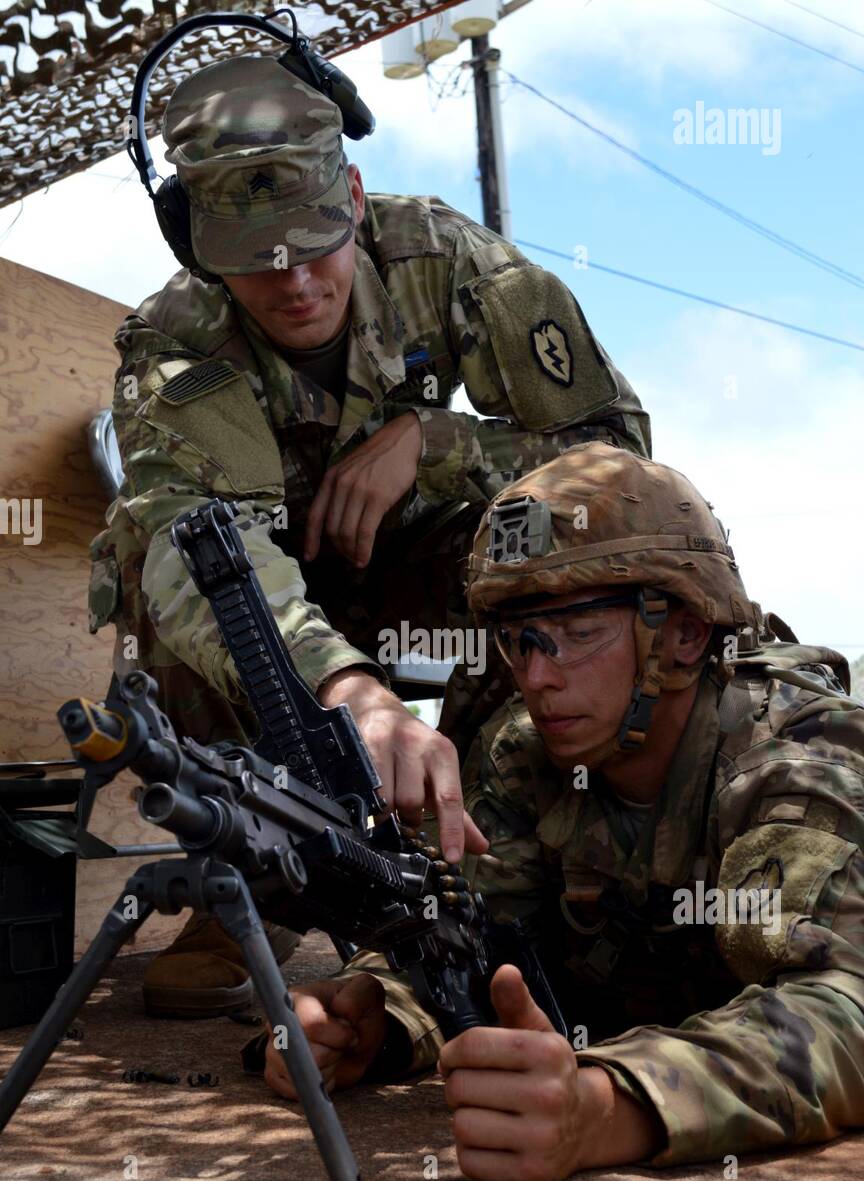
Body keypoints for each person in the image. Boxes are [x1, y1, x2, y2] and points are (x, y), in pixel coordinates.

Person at [86, 53, 650, 1018]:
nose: (297, 284)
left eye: (317, 244)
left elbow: (615, 460)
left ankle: (490, 856)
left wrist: (430, 444)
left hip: (422, 565)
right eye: (258, 261)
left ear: (352, 192)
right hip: (273, 596)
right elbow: (199, 542)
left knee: (550, 536)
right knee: (157, 563)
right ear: (197, 246)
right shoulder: (175, 342)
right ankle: (251, 889)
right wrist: (345, 687)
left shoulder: (448, 261)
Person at [255, 442, 864, 1181]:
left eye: (579, 635)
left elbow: (844, 1013)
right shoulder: (531, 753)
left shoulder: (797, 760)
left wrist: (607, 1106)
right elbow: (482, 930)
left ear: (683, 634)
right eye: (520, 641)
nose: (538, 678)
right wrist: (376, 1013)